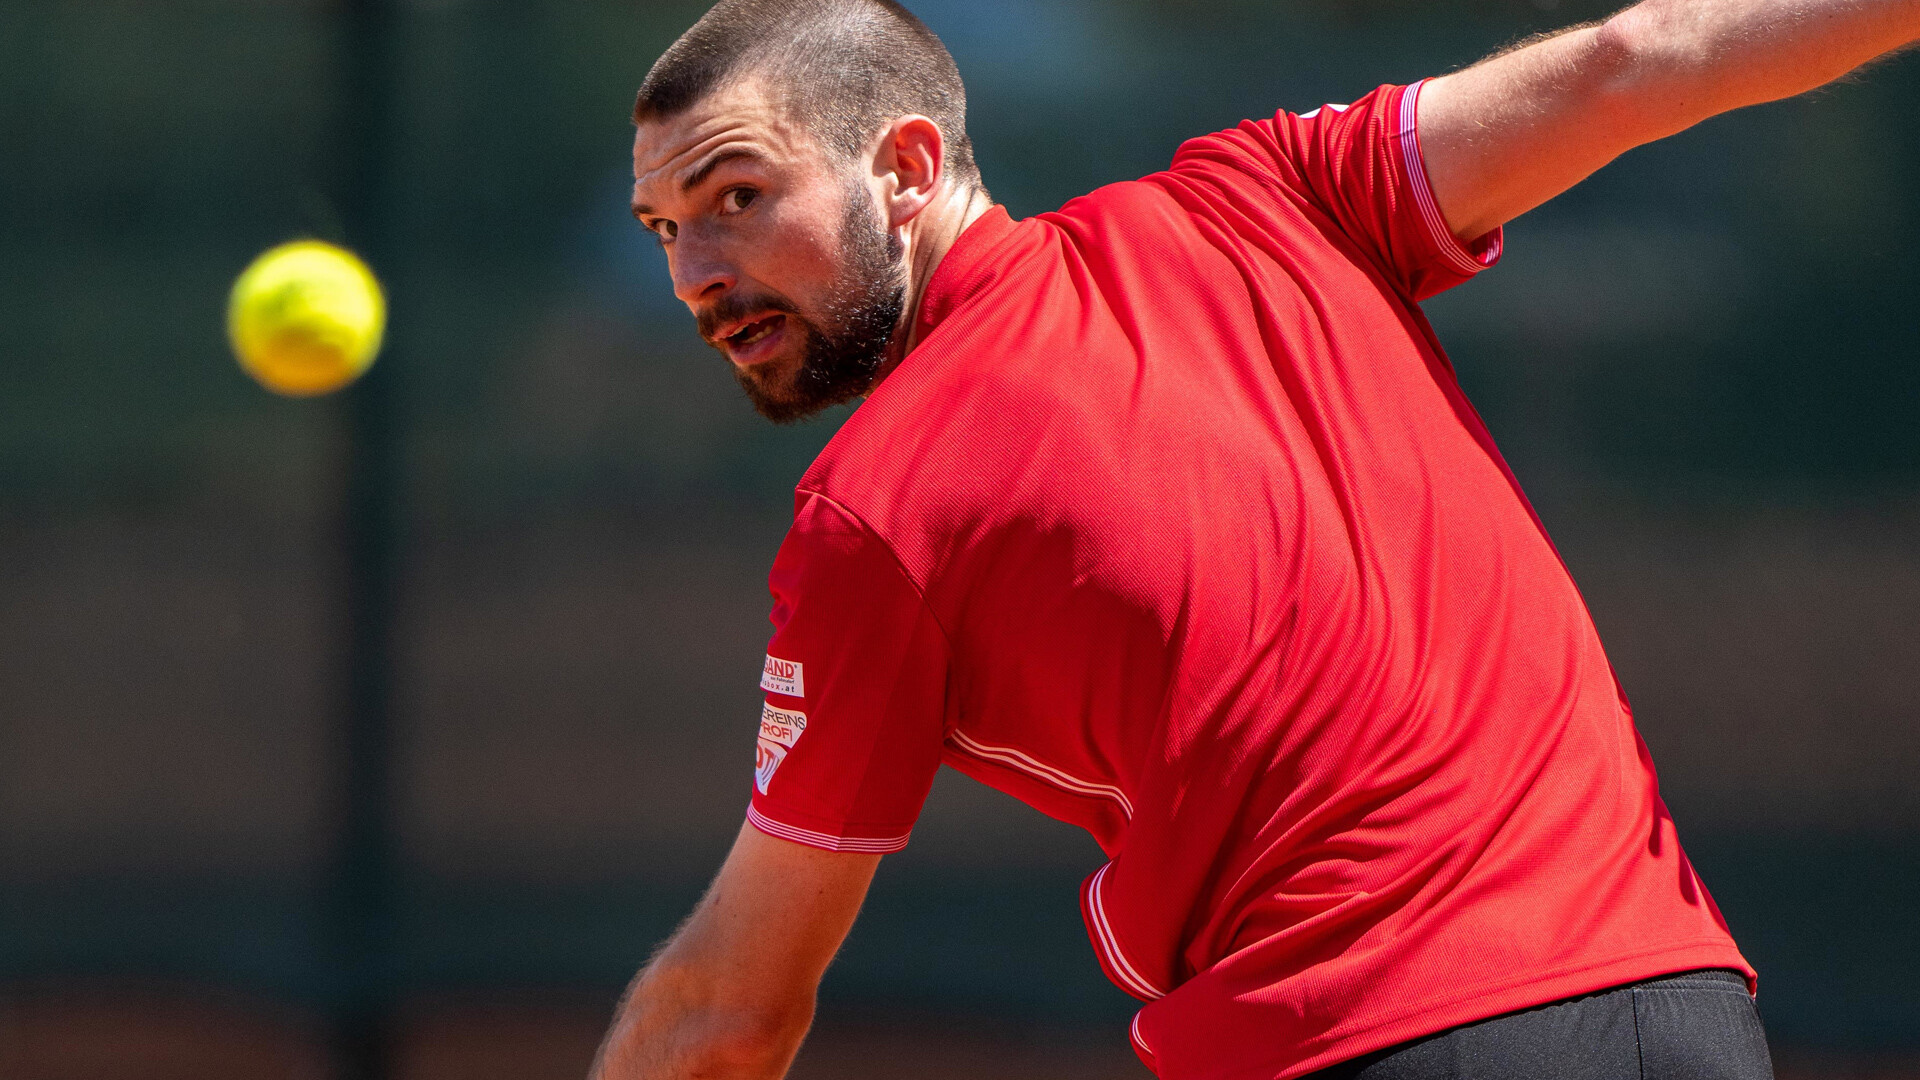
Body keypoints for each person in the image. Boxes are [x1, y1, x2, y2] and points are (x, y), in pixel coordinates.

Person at [592, 1, 1919, 1077]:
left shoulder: (871, 513)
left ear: (907, 167)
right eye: (663, 229)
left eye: (736, 196)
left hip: (1363, 1039)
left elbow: (728, 1014)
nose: (692, 272)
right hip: (1677, 1009)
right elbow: (1641, 57)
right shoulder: (1270, 189)